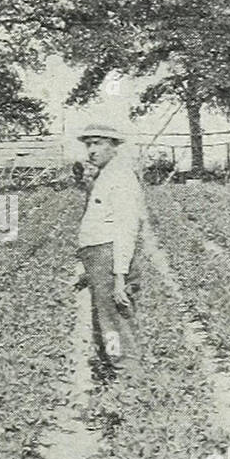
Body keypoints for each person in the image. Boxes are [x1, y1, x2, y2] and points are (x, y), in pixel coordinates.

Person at [75, 123, 145, 378]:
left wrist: (119, 278)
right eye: (88, 144)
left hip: (110, 259)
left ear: (114, 146)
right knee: (105, 320)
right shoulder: (105, 175)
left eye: (98, 143)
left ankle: (127, 377)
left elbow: (126, 229)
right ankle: (112, 371)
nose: (91, 150)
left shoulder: (121, 177)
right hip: (99, 260)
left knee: (114, 321)